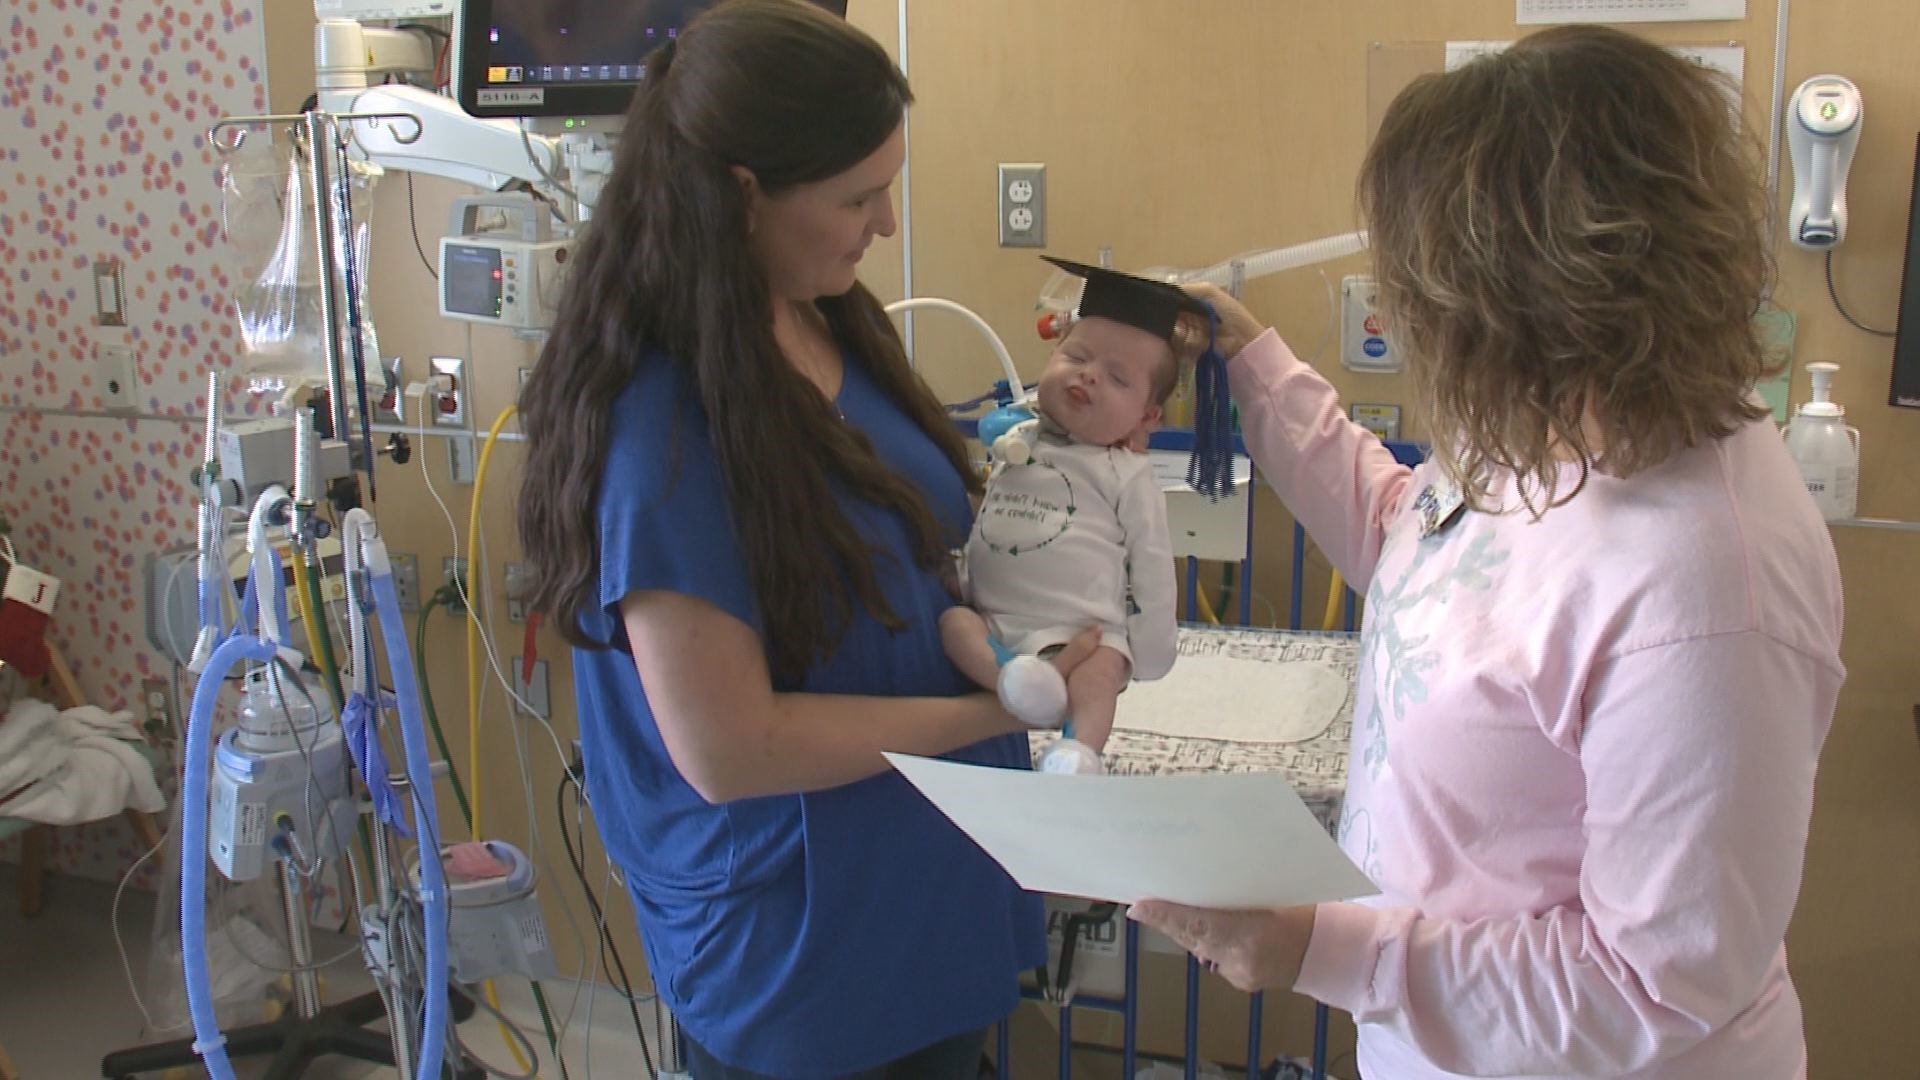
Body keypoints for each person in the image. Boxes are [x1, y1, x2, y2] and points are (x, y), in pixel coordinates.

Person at [1130, 25, 1843, 1080]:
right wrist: (1251, 363)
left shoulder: (1705, 585)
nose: (1398, 315)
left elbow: (1651, 988)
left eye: (1423, 294)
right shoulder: (1550, 421)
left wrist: (1324, 951)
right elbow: (1417, 541)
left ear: (1532, 299)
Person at [514, 2, 1067, 1076]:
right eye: (858, 197)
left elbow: (905, 554)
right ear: (741, 194)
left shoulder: (821, 315)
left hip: (924, 877)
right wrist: (985, 716)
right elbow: (734, 748)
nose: (887, 224)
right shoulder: (664, 428)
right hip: (802, 939)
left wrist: (1031, 640)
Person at [940, 259, 1192, 774]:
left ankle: (1077, 752)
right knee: (953, 625)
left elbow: (1151, 565)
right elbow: (993, 516)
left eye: (1117, 378)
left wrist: (1150, 650)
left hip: (1083, 629)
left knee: (1102, 672)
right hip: (994, 619)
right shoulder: (1021, 440)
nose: (1089, 374)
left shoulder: (1126, 474)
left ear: (1146, 417)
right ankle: (1015, 679)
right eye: (1075, 356)